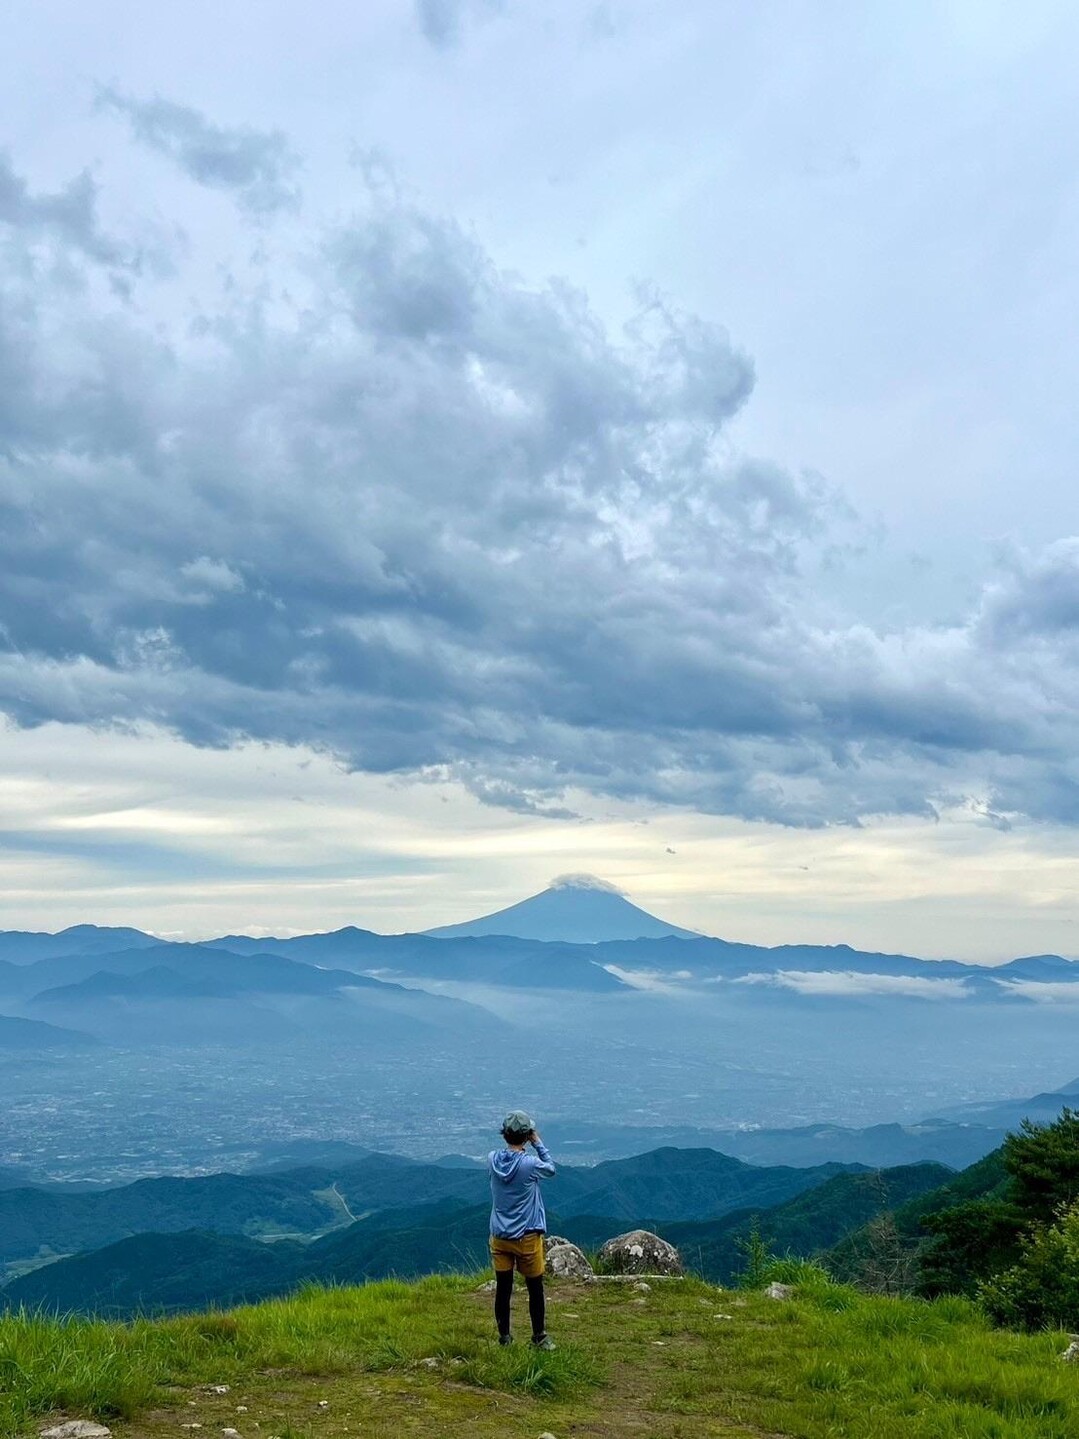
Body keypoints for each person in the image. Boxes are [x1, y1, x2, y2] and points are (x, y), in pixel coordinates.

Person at [487, 1109, 556, 1349]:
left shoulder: (492, 1158)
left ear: (504, 1134)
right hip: (526, 1236)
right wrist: (538, 1143)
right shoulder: (529, 1164)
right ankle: (539, 1337)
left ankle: (504, 1338)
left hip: (499, 1236)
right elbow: (551, 1168)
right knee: (535, 1287)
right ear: (527, 1135)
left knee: (503, 1288)